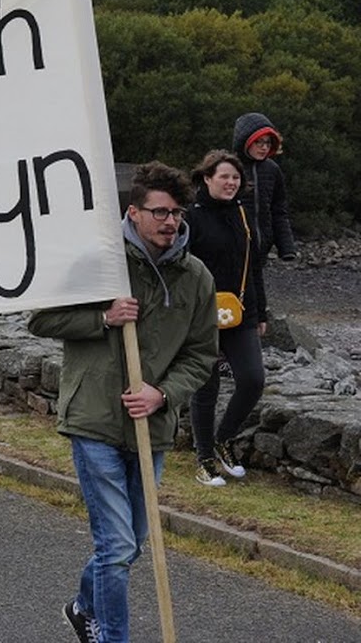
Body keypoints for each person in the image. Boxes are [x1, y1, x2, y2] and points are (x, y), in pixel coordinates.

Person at [27, 162, 217, 643]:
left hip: (150, 425)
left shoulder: (196, 277)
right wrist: (104, 317)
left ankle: (81, 605)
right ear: (133, 213)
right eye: (159, 212)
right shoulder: (98, 262)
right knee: (114, 547)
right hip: (94, 418)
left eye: (176, 212)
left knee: (133, 544)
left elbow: (201, 355)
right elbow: (43, 321)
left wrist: (163, 393)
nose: (170, 221)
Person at [186, 150, 264, 487]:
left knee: (252, 379)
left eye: (236, 178)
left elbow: (254, 267)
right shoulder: (191, 217)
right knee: (207, 387)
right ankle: (204, 459)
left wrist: (262, 313)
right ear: (207, 178)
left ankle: (224, 438)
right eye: (224, 177)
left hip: (241, 312)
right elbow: (181, 270)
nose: (231, 183)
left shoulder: (244, 214)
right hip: (202, 315)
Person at [233, 112, 297, 309]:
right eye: (258, 142)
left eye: (267, 143)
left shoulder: (272, 170)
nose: (263, 147)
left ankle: (258, 321)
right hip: (234, 242)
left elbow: (279, 210)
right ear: (245, 141)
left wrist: (286, 247)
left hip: (262, 244)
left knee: (255, 285)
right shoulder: (229, 167)